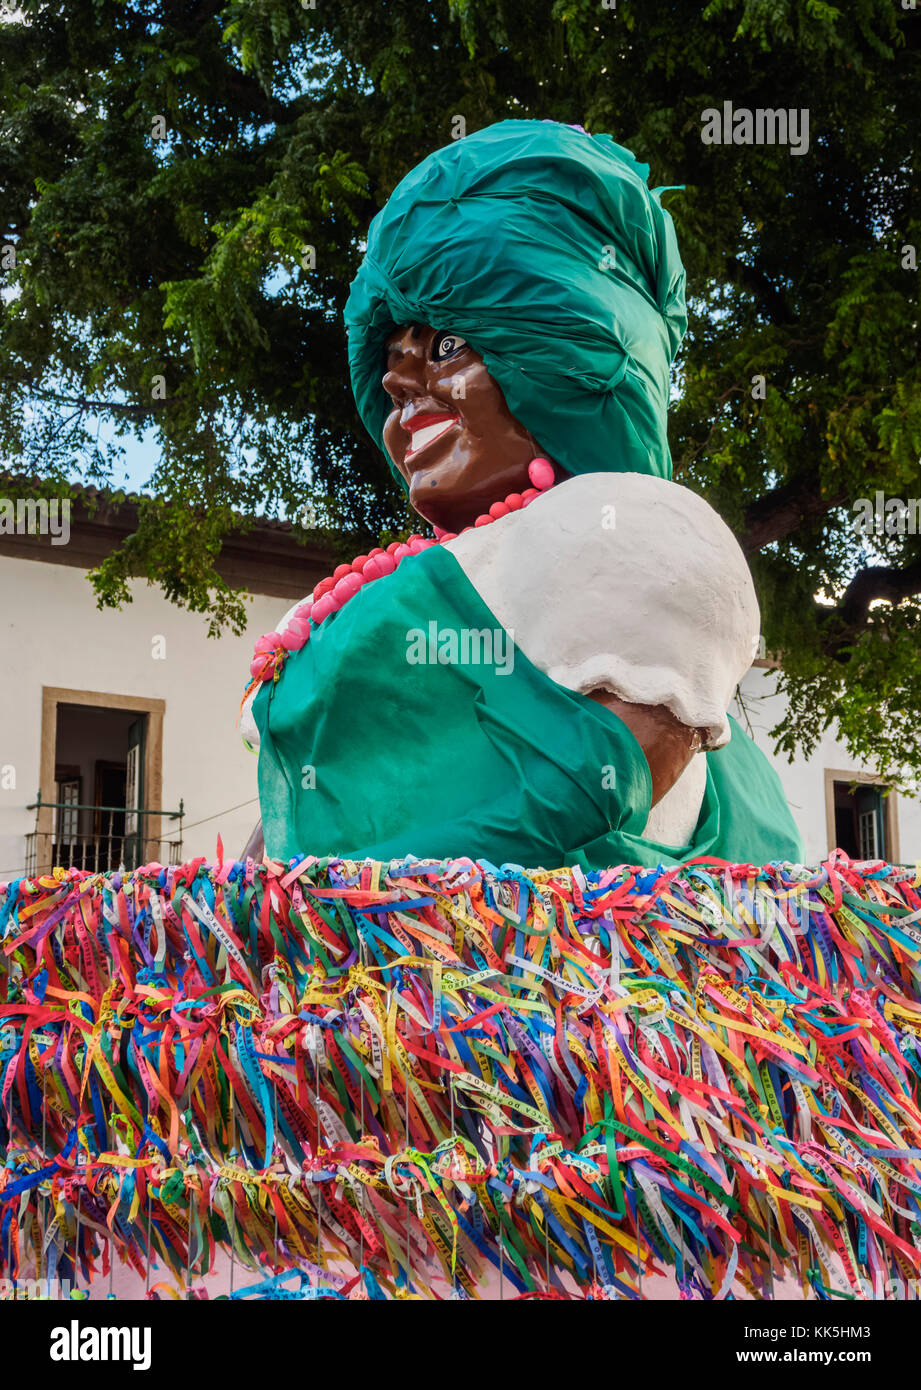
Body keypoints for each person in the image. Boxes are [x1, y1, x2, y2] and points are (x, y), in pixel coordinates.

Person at [241, 120, 803, 870]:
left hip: (556, 975)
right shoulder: (365, 592)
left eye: (443, 347)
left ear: (559, 358)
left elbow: (600, 785)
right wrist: (228, 914)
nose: (397, 381)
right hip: (330, 972)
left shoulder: (632, 528)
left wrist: (344, 903)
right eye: (389, 355)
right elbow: (287, 827)